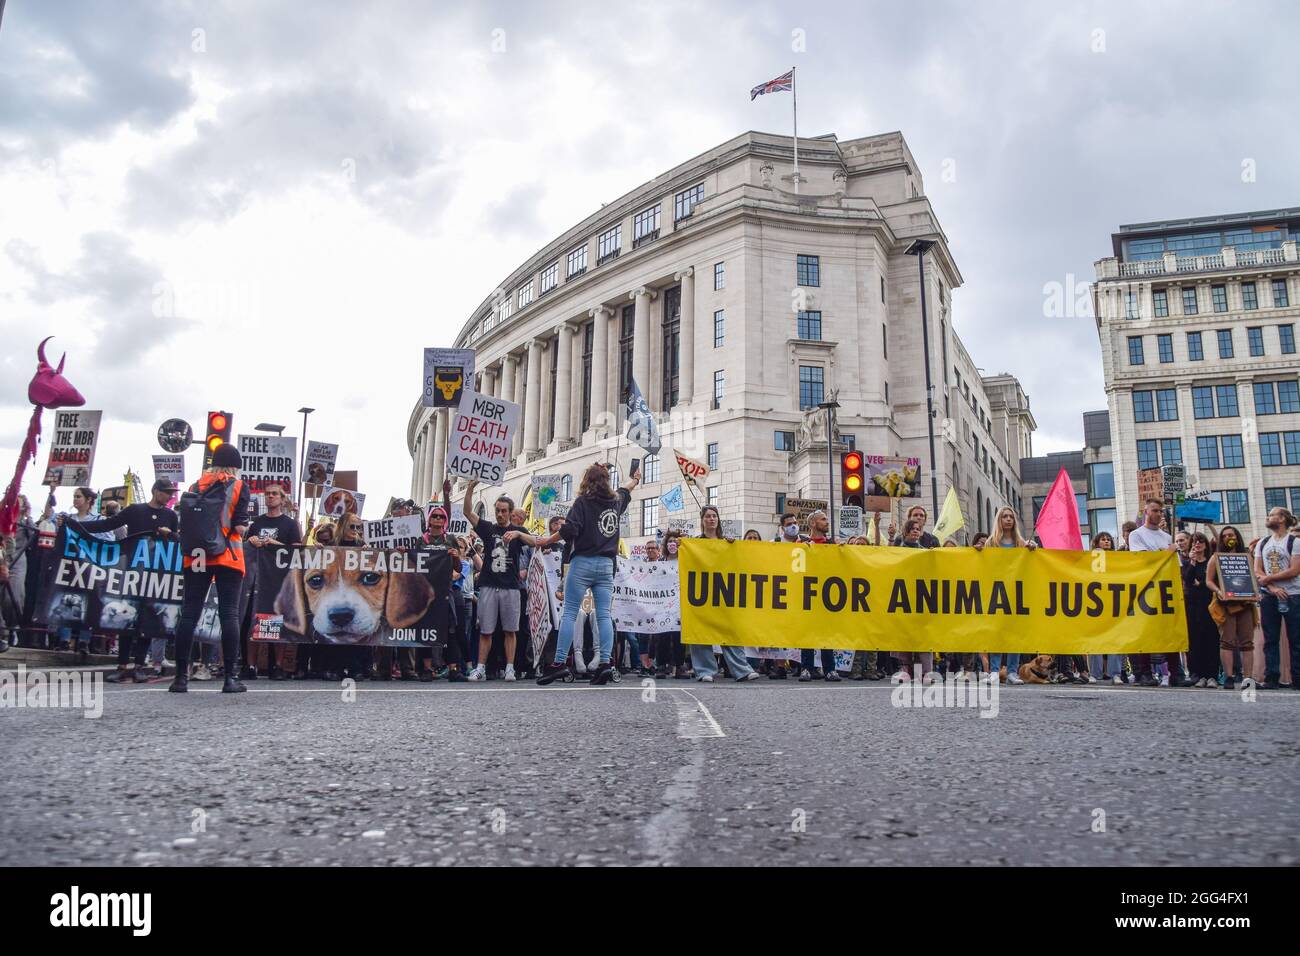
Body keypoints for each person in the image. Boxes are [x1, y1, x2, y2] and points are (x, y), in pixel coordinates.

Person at [514, 461, 637, 686]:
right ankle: (606, 664)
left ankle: (559, 663)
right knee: (603, 615)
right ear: (606, 481)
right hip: (606, 565)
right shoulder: (615, 502)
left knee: (569, 613)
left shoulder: (582, 503)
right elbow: (626, 489)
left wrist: (546, 540)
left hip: (583, 563)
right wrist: (636, 479)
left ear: (586, 481)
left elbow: (569, 530)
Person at [79, 479, 181, 682]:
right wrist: (77, 525)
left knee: (148, 619)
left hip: (155, 574)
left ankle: (140, 666)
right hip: (132, 572)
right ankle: (122, 665)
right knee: (126, 619)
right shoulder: (135, 510)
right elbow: (108, 524)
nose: (170, 496)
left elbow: (177, 542)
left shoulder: (170, 516)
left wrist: (170, 535)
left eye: (171, 493)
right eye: (166, 492)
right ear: (155, 491)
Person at [169, 444, 250, 694]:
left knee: (190, 612)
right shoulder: (238, 486)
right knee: (229, 614)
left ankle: (180, 677)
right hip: (227, 554)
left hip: (197, 555)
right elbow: (239, 528)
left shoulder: (195, 486)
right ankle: (230, 678)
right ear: (235, 465)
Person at [461, 481, 527, 682]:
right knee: (486, 630)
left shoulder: (518, 531)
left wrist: (518, 533)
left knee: (510, 630)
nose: (500, 514)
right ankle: (480, 668)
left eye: (504, 511)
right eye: (497, 510)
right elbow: (467, 513)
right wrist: (470, 489)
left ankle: (509, 669)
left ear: (510, 512)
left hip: (510, 587)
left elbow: (536, 542)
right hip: (489, 585)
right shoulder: (488, 528)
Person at [1126, 498, 1188, 687]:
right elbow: (1142, 560)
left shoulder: (1166, 537)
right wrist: (1166, 552)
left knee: (1169, 630)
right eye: (1154, 510)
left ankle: (1176, 672)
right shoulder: (1136, 535)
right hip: (1146, 589)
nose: (1158, 514)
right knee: (1145, 631)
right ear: (1146, 512)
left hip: (1165, 588)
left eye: (1160, 511)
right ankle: (1144, 673)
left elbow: (1174, 565)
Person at [243, 483, 301, 680]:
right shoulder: (256, 523)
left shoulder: (290, 524)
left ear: (282, 498)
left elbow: (297, 552)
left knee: (278, 622)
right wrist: (250, 542)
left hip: (280, 581)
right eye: (267, 494)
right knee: (255, 621)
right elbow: (246, 551)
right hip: (258, 580)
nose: (270, 497)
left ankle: (278, 666)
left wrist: (277, 545)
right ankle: (250, 666)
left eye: (274, 494)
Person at [974, 506, 1037, 685]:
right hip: (996, 591)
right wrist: (978, 552)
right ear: (999, 520)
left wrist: (1033, 548)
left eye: (1011, 517)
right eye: (1005, 516)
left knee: (1014, 633)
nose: (1008, 519)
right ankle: (994, 670)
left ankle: (1011, 672)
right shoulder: (991, 542)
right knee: (996, 631)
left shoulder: (1020, 542)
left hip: (1016, 592)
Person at [1254, 506, 1299, 690]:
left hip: (1293, 594)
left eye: (1272, 514)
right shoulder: (1263, 543)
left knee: (1296, 639)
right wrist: (1271, 587)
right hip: (1270, 596)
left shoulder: (1293, 542)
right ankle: (1271, 677)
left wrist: (1269, 578)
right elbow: (1258, 570)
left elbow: (1295, 569)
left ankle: (1297, 677)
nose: (1268, 517)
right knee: (1270, 638)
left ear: (1282, 519)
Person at [1206, 525, 1255, 690]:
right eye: (1225, 536)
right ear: (1221, 539)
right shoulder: (1216, 557)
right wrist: (1218, 591)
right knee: (1227, 641)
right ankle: (1228, 677)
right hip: (1225, 604)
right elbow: (1209, 580)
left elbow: (1254, 577)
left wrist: (1256, 592)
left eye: (1231, 535)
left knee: (1247, 642)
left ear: (1237, 537)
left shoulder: (1247, 556)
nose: (1228, 538)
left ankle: (1248, 678)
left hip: (1246, 603)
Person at [798, 510, 842, 683]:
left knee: (827, 632)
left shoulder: (832, 544)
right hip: (807, 593)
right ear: (813, 524)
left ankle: (830, 669)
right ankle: (806, 668)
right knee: (807, 633)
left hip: (827, 593)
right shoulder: (801, 543)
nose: (827, 521)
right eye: (823, 519)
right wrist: (802, 550)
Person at [1182, 532, 1219, 687]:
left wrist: (1201, 583)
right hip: (1192, 607)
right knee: (1194, 641)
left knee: (1210, 640)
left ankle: (1211, 675)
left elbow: (1211, 581)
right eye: (1195, 542)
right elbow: (1188, 580)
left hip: (1209, 605)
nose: (1197, 544)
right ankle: (1197, 674)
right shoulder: (1188, 563)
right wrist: (1193, 562)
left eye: (1201, 542)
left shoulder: (1211, 561)